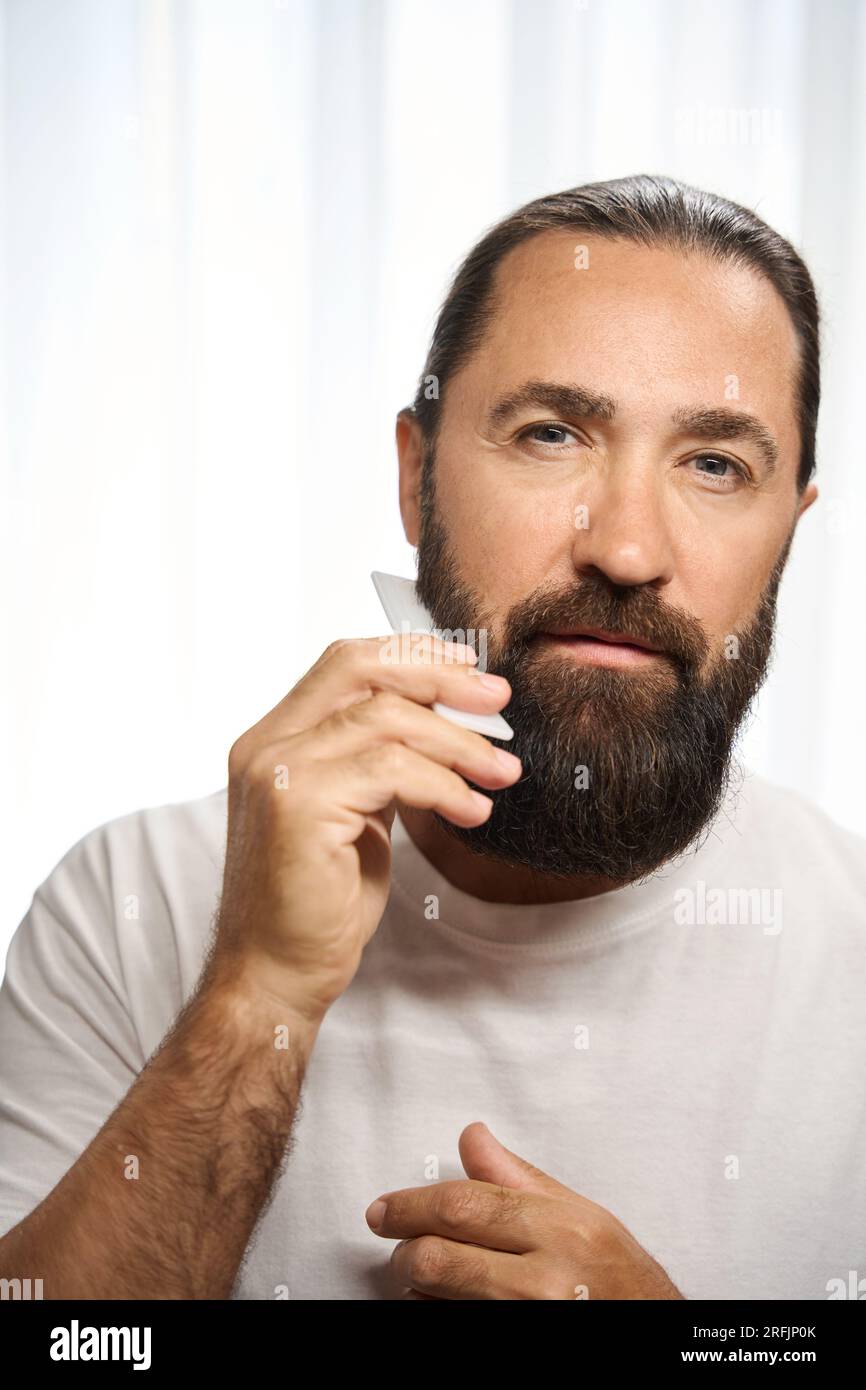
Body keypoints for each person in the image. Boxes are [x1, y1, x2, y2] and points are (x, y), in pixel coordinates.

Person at [1, 175, 863, 1301]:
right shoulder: (133, 900)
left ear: (787, 529)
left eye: (713, 463)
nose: (627, 549)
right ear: (417, 479)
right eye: (550, 433)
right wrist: (254, 995)